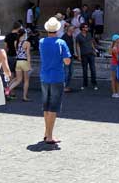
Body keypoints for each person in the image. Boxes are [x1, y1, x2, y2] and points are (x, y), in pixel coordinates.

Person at [38, 17, 72, 145]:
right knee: (53, 107)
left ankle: (47, 133)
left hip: (44, 76)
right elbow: (67, 61)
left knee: (46, 106)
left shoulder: (41, 42)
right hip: (57, 76)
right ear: (57, 30)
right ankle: (50, 136)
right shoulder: (61, 43)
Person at [5, 28, 32, 101]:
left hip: (18, 62)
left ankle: (7, 91)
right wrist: (29, 65)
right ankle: (24, 97)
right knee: (26, 80)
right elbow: (28, 54)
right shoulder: (27, 43)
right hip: (24, 62)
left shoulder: (16, 42)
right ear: (24, 34)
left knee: (18, 79)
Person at [76, 23, 98, 90]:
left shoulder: (89, 34)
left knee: (93, 70)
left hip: (91, 54)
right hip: (83, 55)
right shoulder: (78, 36)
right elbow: (78, 46)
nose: (87, 28)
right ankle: (85, 84)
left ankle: (94, 84)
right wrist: (79, 56)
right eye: (85, 27)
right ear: (82, 28)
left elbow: (91, 43)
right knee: (84, 70)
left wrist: (95, 50)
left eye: (87, 27)